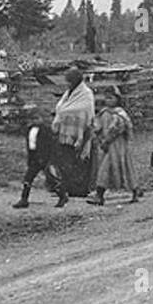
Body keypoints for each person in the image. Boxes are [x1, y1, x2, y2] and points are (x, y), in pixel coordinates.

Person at [51, 65, 97, 206]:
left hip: (81, 134)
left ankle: (80, 189)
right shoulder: (69, 93)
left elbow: (85, 110)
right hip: (65, 133)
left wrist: (64, 112)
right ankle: (67, 187)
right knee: (66, 161)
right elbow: (61, 107)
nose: (68, 84)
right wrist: (63, 112)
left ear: (77, 81)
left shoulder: (86, 94)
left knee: (80, 161)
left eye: (70, 81)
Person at [88, 88, 138, 206]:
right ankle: (100, 195)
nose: (108, 100)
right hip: (107, 146)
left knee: (124, 167)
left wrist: (107, 140)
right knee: (104, 169)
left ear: (117, 99)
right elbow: (98, 126)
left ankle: (135, 190)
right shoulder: (104, 113)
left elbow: (117, 129)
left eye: (111, 98)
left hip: (118, 146)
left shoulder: (120, 114)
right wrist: (96, 132)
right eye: (106, 97)